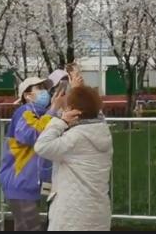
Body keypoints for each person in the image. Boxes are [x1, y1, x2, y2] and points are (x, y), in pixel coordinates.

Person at [34, 85, 113, 231]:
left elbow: (42, 146)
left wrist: (61, 121)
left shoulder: (75, 138)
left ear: (72, 110)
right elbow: (94, 112)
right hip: (98, 213)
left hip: (73, 215)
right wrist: (80, 90)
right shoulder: (102, 131)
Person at [0, 70, 68, 231]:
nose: (44, 91)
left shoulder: (41, 113)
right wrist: (53, 110)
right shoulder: (24, 112)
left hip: (30, 183)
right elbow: (31, 135)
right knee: (30, 228)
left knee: (27, 227)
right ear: (27, 95)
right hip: (20, 181)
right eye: (39, 88)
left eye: (44, 87)